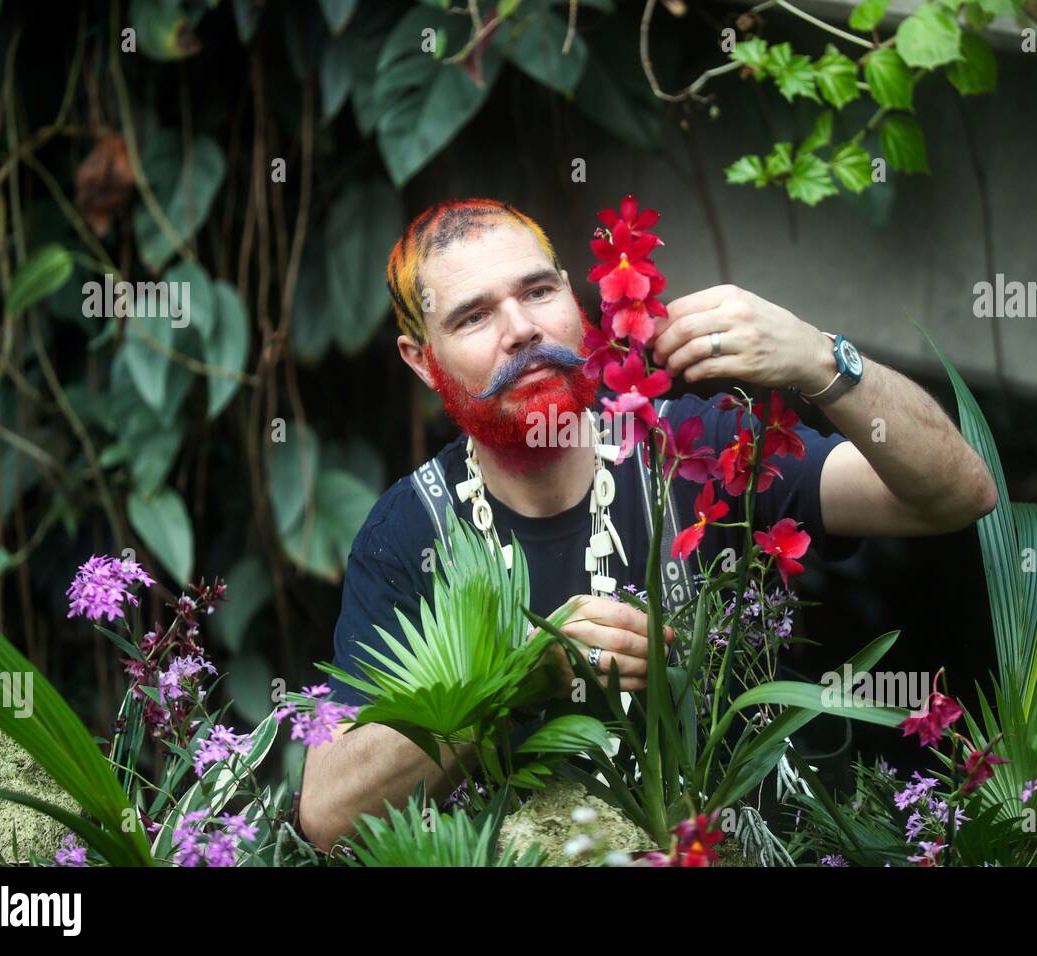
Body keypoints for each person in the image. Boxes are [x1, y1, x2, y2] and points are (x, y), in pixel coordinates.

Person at [297, 198, 997, 851]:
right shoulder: (409, 532)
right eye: (473, 317)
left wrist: (821, 359)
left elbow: (956, 493)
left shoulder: (693, 443)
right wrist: (517, 678)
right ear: (422, 360)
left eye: (538, 291)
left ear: (573, 296)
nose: (522, 330)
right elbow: (329, 816)